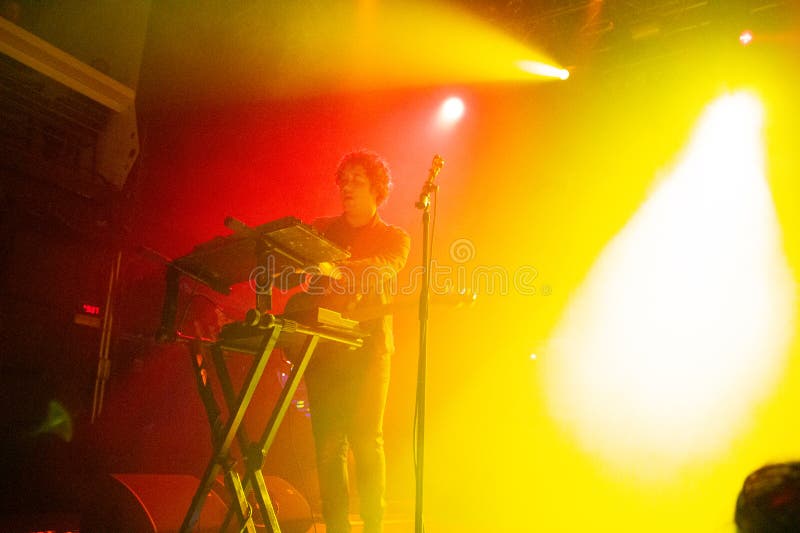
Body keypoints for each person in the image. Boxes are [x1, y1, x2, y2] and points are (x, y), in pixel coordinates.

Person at [301, 150, 410, 533]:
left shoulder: (395, 238)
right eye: (342, 180)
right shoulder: (321, 229)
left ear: (377, 190)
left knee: (367, 441)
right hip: (324, 349)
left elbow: (383, 269)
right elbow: (304, 273)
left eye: (356, 180)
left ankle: (373, 526)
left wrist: (334, 267)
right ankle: (336, 528)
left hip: (369, 351)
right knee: (329, 446)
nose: (346, 187)